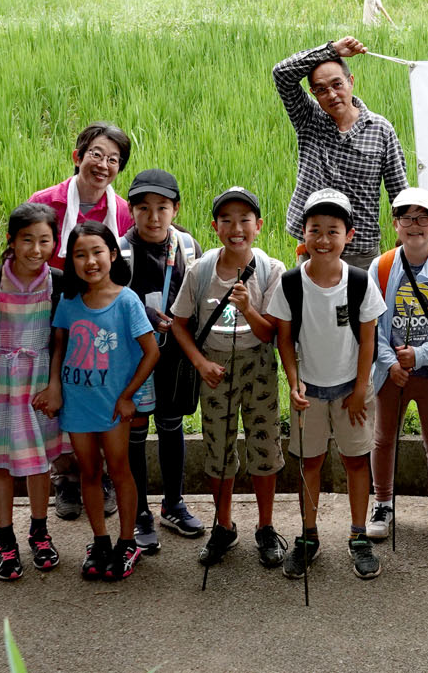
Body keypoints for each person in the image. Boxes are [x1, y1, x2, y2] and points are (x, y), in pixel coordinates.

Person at [269, 189, 389, 580]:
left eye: (333, 230)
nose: (323, 239)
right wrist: (293, 381)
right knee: (310, 463)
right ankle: (308, 536)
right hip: (308, 392)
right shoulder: (289, 284)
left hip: (353, 389)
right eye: (315, 230)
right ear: (303, 235)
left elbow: (368, 339)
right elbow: (284, 339)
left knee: (356, 461)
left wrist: (358, 390)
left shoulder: (359, 282)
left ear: (349, 235)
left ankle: (358, 535)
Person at [168, 187, 288, 570]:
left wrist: (248, 307)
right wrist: (201, 364)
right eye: (226, 220)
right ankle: (224, 526)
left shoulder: (272, 270)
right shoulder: (201, 269)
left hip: (258, 364)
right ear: (216, 226)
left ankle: (266, 527)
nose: (236, 228)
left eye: (244, 220)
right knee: (218, 451)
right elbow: (179, 325)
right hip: (214, 369)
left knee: (264, 446)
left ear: (258, 226)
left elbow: (270, 332)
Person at [40, 223, 159, 582]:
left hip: (113, 407)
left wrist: (128, 398)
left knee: (119, 471)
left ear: (111, 254)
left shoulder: (126, 300)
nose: (90, 261)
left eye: (97, 252)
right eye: (80, 254)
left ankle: (127, 542)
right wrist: (54, 387)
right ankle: (101, 541)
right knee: (88, 473)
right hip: (77, 405)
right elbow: (59, 346)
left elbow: (151, 352)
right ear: (71, 260)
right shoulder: (69, 301)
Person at [30, 122, 135, 521]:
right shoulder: (47, 202)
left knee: (97, 387)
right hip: (51, 312)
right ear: (77, 156)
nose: (104, 165)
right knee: (58, 389)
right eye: (96, 154)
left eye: (113, 159)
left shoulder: (121, 210)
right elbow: (28, 254)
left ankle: (100, 473)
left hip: (101, 316)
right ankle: (66, 476)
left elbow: (124, 269)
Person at [0, 203, 67, 581]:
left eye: (44, 241)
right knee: (1, 466)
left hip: (39, 385)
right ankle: (6, 541)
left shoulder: (58, 284)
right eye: (27, 240)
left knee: (40, 464)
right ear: (11, 240)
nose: (36, 250)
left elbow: (59, 342)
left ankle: (39, 531)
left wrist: (54, 386)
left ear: (55, 242)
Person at [368, 188, 428, 546]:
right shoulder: (380, 267)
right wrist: (391, 361)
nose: (414, 225)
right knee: (383, 438)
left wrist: (420, 355)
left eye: (423, 217)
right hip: (391, 371)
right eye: (406, 218)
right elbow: (373, 325)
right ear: (395, 224)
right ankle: (381, 503)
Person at [118, 168, 205, 553]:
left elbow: (200, 296)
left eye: (162, 208)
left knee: (171, 426)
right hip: (133, 355)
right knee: (135, 430)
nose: (153, 217)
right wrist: (146, 316)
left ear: (175, 209)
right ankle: (138, 513)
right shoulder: (118, 251)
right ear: (131, 210)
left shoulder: (187, 247)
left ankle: (173, 503)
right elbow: (108, 298)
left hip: (172, 355)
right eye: (143, 208)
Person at [272, 36, 408, 270]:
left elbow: (398, 191)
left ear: (350, 81)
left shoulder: (380, 129)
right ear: (313, 93)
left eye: (337, 85)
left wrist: (405, 232)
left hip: (361, 249)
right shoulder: (309, 119)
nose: (332, 95)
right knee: (309, 306)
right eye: (321, 89)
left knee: (363, 307)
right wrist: (332, 50)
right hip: (314, 244)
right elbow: (282, 74)